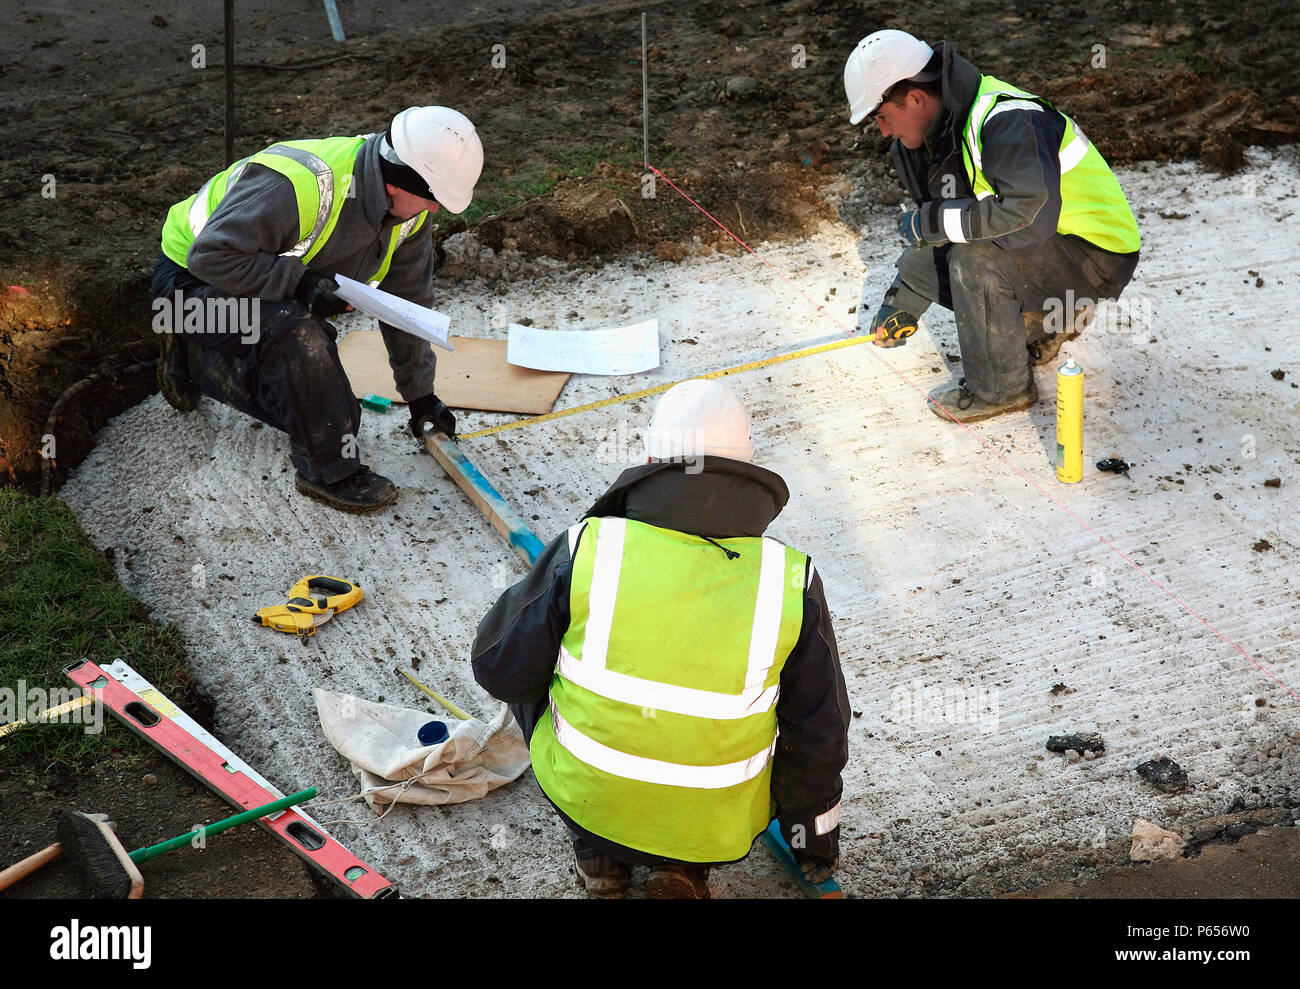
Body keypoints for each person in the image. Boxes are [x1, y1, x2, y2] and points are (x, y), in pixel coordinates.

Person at [471, 379, 851, 898]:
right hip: (714, 823)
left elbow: (499, 668)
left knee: (530, 657)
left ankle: (598, 852)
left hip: (590, 797)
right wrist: (814, 839)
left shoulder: (590, 547)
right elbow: (818, 728)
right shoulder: (788, 578)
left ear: (651, 459)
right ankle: (684, 867)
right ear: (747, 468)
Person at [151, 106, 483, 512]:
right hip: (188, 290)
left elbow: (408, 304)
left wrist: (420, 395)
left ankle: (204, 358)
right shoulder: (300, 185)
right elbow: (212, 257)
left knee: (336, 412)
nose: (434, 210)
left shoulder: (407, 213)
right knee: (301, 339)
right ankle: (329, 474)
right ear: (397, 182)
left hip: (248, 284)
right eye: (431, 198)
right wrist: (302, 285)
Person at [844, 30, 1141, 422]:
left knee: (974, 258)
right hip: (1051, 248)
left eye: (882, 117)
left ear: (915, 99)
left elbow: (1027, 218)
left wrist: (935, 222)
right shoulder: (934, 139)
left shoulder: (1008, 119)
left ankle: (1001, 389)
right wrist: (901, 304)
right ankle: (1049, 321)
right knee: (948, 244)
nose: (883, 131)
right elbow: (940, 236)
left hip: (1096, 252)